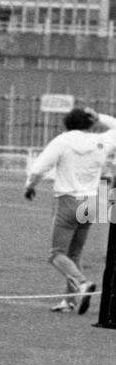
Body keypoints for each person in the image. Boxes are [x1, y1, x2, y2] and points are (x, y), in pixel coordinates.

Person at [24, 104, 116, 314]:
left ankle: (82, 284)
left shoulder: (63, 140)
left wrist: (30, 186)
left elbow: (39, 167)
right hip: (96, 200)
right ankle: (70, 301)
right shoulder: (101, 140)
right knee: (74, 253)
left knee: (56, 254)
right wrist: (99, 116)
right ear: (90, 122)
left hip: (69, 198)